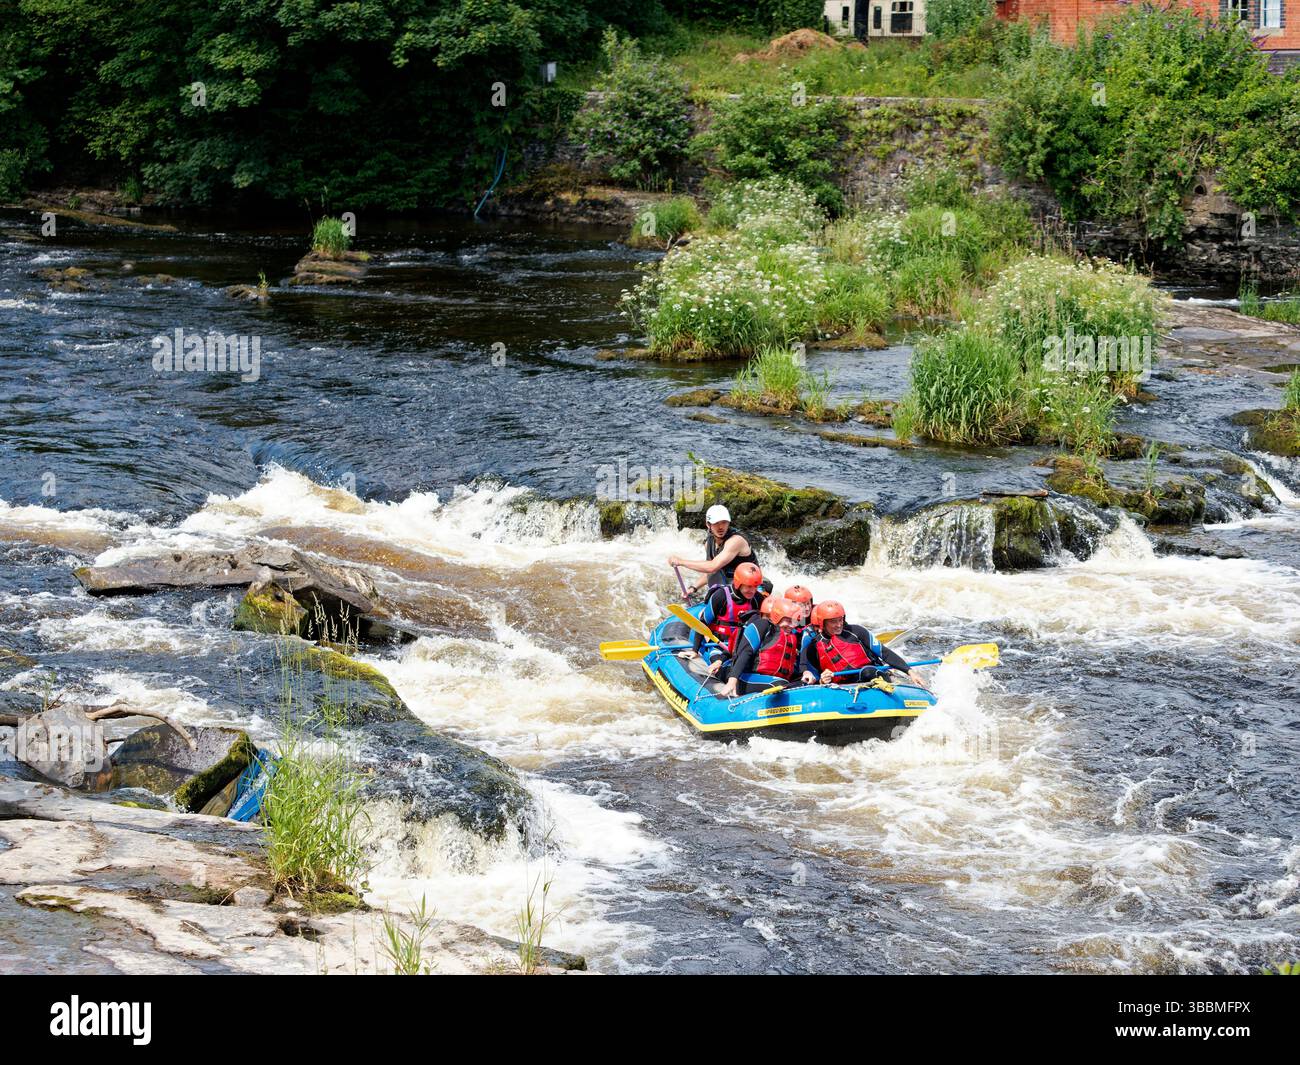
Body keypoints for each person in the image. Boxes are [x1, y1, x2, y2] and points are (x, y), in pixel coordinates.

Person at [798, 601, 926, 688]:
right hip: (842, 687)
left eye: (840, 620)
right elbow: (814, 676)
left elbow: (884, 652)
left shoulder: (856, 632)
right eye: (833, 622)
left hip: (870, 675)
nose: (839, 625)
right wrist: (822, 680)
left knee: (867, 672)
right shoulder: (814, 646)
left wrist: (910, 672)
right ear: (822, 623)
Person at [682, 561, 766, 675]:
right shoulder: (721, 596)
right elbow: (703, 622)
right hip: (719, 644)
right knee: (719, 666)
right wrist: (695, 650)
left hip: (742, 645)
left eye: (755, 586)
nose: (752, 590)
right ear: (738, 583)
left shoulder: (758, 599)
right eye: (749, 586)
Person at [668, 504, 762, 601]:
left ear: (728, 523)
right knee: (715, 583)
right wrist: (693, 588)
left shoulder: (736, 541)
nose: (721, 527)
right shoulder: (709, 544)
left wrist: (681, 562)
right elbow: (711, 572)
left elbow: (712, 567)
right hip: (734, 587)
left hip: (753, 588)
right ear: (708, 524)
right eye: (716, 523)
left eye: (724, 522)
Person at [718, 597, 803, 697]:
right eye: (788, 620)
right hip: (745, 676)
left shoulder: (791, 635)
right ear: (777, 616)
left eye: (794, 621)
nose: (792, 625)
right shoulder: (763, 626)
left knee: (802, 684)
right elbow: (745, 653)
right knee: (779, 685)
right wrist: (732, 681)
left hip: (775, 679)